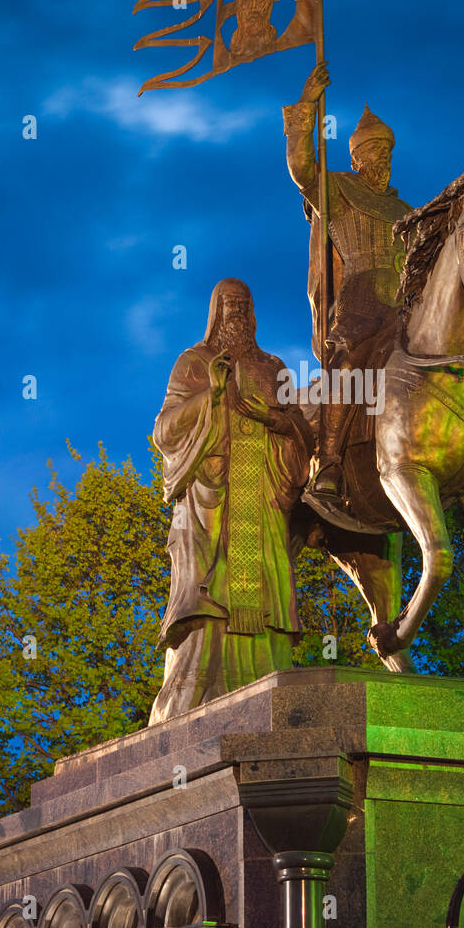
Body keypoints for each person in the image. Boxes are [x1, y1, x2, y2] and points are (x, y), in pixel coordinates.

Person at [148, 278, 314, 722]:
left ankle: (269, 683)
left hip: (261, 497)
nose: (238, 313)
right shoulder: (194, 362)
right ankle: (193, 692)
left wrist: (277, 423)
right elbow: (164, 432)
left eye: (245, 305)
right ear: (215, 312)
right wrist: (213, 395)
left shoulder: (273, 366)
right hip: (212, 499)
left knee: (265, 601)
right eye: (230, 305)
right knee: (209, 603)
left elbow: (303, 432)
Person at [283, 62, 411, 497]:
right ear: (355, 159)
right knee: (346, 370)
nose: (382, 162)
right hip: (359, 303)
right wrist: (306, 107)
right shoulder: (337, 189)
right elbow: (302, 168)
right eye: (373, 154)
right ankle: (331, 463)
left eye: (387, 154)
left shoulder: (406, 212)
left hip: (405, 307)